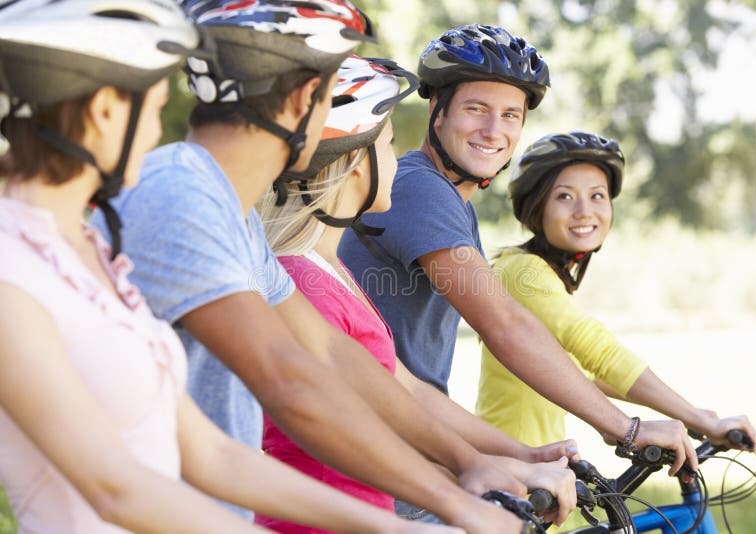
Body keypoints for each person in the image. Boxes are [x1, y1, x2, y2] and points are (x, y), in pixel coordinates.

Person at [0, 2, 449, 533]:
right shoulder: (15, 271)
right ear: (103, 111)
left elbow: (211, 455)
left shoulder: (85, 251)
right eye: (153, 109)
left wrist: (400, 525)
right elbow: (116, 488)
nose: (155, 137)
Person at [90, 2, 530, 530]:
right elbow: (290, 382)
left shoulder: (233, 215)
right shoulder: (182, 195)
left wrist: (469, 467)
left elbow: (328, 354)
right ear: (306, 98)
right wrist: (448, 500)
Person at [339, 23, 700, 488]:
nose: (494, 130)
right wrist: (626, 429)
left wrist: (516, 454)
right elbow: (505, 325)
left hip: (407, 440)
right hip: (373, 453)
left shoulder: (449, 202)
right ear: (438, 111)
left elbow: (415, 380)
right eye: (476, 109)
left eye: (511, 115)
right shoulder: (419, 189)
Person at [257, 55, 579, 531]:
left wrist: (517, 456)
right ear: (353, 162)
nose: (399, 159)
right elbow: (352, 436)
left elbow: (407, 390)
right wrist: (469, 474)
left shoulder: (329, 271)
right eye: (387, 145)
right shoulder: (303, 284)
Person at [475, 131, 756, 451]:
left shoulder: (536, 274)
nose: (584, 210)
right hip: (510, 473)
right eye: (565, 196)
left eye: (597, 195)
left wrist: (694, 416)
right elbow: (597, 350)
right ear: (535, 208)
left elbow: (585, 373)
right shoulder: (523, 273)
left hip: (535, 467)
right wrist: (701, 421)